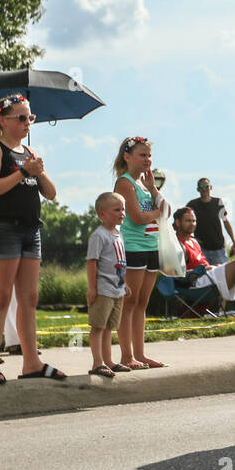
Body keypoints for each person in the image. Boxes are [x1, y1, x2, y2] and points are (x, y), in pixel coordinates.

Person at [0, 94, 64, 383]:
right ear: (2, 120)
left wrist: (38, 171)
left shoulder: (28, 150)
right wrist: (22, 172)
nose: (28, 123)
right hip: (2, 228)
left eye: (30, 117)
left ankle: (31, 362)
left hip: (30, 229)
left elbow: (51, 194)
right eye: (21, 117)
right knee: (1, 296)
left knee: (29, 297)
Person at [113, 137, 167, 368]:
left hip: (151, 247)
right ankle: (127, 355)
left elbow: (165, 208)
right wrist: (158, 212)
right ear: (127, 157)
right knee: (129, 303)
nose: (147, 160)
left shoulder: (145, 184)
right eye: (142, 155)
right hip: (133, 248)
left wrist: (154, 188)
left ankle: (140, 353)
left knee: (142, 303)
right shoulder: (125, 183)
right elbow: (136, 216)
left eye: (149, 156)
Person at [173, 208, 235, 314]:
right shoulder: (177, 244)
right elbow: (178, 274)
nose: (192, 224)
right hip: (196, 283)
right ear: (178, 222)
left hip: (208, 276)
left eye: (194, 221)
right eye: (188, 221)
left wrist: (213, 266)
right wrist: (203, 269)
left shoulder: (194, 241)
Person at [86, 192, 129, 377]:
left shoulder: (118, 234)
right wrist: (92, 287)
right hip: (103, 290)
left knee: (109, 327)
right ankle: (98, 362)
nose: (122, 213)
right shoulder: (99, 236)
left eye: (123, 209)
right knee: (98, 327)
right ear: (102, 214)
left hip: (117, 289)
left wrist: (124, 283)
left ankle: (109, 361)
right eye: (117, 209)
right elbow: (92, 262)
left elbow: (120, 261)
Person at [186, 178, 235, 263]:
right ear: (198, 189)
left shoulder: (218, 202)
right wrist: (191, 238)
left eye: (206, 186)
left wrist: (234, 242)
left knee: (223, 274)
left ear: (211, 187)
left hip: (218, 249)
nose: (204, 189)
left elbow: (225, 222)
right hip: (201, 250)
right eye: (201, 186)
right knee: (202, 275)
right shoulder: (192, 205)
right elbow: (184, 222)